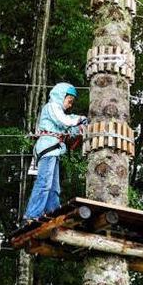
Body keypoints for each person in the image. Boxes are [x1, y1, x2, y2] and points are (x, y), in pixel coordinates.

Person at [22, 83, 88, 223]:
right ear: (61, 96)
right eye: (69, 101)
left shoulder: (58, 112)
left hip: (54, 150)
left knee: (53, 187)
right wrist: (80, 119)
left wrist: (81, 128)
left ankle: (53, 214)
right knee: (44, 183)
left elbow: (68, 130)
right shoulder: (51, 107)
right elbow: (63, 121)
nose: (70, 105)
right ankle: (32, 215)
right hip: (48, 149)